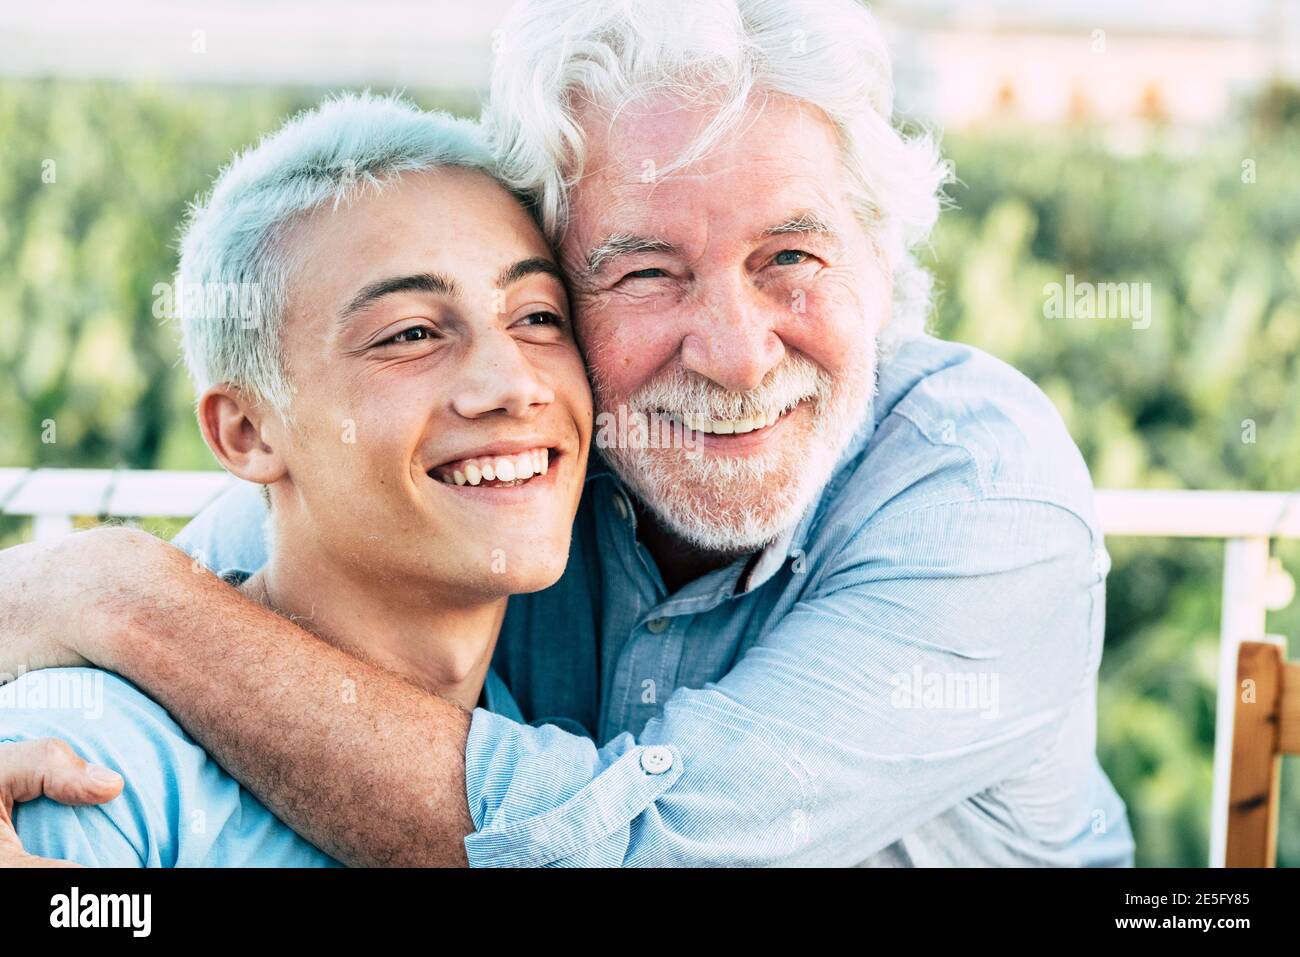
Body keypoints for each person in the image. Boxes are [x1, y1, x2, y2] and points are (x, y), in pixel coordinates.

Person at [0, 0, 1133, 867]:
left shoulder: (982, 495)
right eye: (645, 271)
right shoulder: (507, 452)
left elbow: (631, 853)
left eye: (790, 257)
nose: (735, 354)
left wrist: (116, 594)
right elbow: (252, 568)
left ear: (879, 266)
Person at [0, 92, 591, 865]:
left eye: (538, 316)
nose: (514, 383)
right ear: (245, 431)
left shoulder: (555, 775)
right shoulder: (86, 771)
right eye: (410, 332)